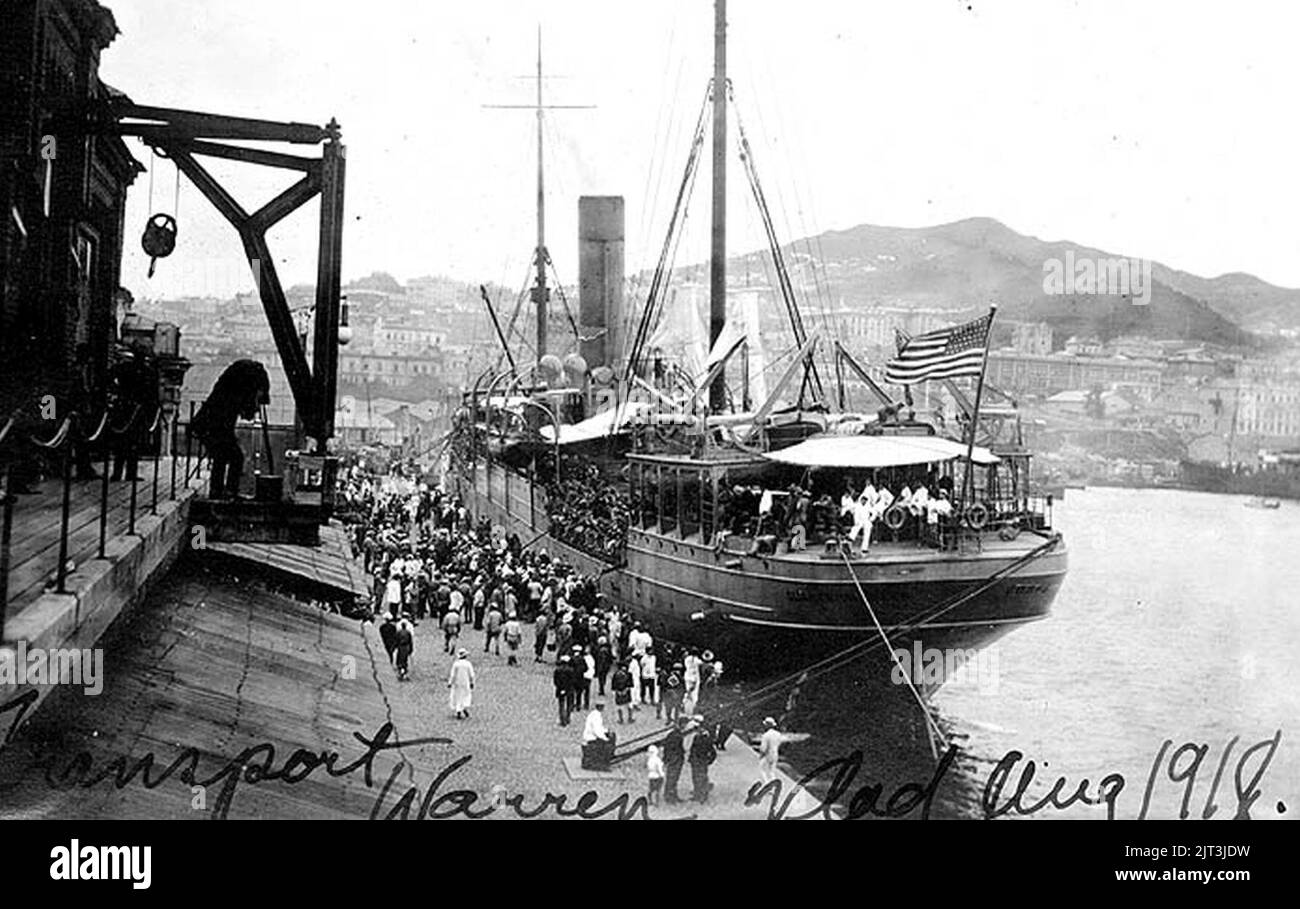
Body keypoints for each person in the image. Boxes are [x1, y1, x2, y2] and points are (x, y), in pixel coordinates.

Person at [189, 359, 270, 499]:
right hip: (213, 425)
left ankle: (220, 492)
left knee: (224, 457)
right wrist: (253, 405)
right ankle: (226, 492)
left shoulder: (233, 386)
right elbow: (246, 411)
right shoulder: (239, 388)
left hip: (209, 425)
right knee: (233, 457)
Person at [687, 717, 717, 804]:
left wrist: (709, 761)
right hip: (695, 762)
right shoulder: (696, 738)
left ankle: (703, 796)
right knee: (695, 778)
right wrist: (691, 758)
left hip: (701, 762)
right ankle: (697, 794)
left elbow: (713, 753)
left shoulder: (707, 740)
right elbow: (693, 749)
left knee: (702, 778)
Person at [580, 702, 615, 771]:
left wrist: (607, 731)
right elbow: (597, 731)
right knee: (608, 744)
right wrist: (605, 738)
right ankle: (604, 763)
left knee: (612, 735)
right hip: (591, 738)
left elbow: (599, 728)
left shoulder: (595, 714)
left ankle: (608, 756)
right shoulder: (596, 716)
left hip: (591, 736)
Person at [661, 717, 687, 805]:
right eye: (684, 724)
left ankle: (673, 795)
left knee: (674, 778)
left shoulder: (674, 734)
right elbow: (670, 748)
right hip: (675, 759)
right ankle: (669, 797)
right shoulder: (676, 735)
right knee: (672, 778)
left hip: (675, 759)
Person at [447, 648, 475, 719]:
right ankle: (464, 708)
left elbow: (453, 674)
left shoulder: (456, 664)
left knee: (457, 696)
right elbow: (471, 675)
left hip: (457, 683)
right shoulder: (468, 664)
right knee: (465, 695)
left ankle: (458, 710)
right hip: (466, 682)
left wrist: (450, 682)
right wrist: (472, 682)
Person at [554, 656, 576, 727]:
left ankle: (562, 719)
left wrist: (560, 687)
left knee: (561, 705)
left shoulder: (557, 670)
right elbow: (572, 681)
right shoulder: (571, 670)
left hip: (560, 689)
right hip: (569, 689)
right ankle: (567, 718)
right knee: (569, 704)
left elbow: (555, 681)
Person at [611, 660, 633, 724]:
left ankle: (621, 719)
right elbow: (631, 684)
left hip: (619, 692)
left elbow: (613, 685)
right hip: (627, 691)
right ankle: (630, 718)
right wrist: (626, 690)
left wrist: (617, 691)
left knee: (619, 706)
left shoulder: (615, 674)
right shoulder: (629, 674)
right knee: (629, 705)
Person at [393, 616, 414, 681]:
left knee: (400, 659)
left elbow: (396, 640)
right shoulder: (408, 633)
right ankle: (404, 672)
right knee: (404, 659)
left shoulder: (399, 632)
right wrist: (411, 649)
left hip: (401, 647)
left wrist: (394, 647)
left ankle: (401, 672)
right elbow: (411, 641)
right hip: (406, 646)